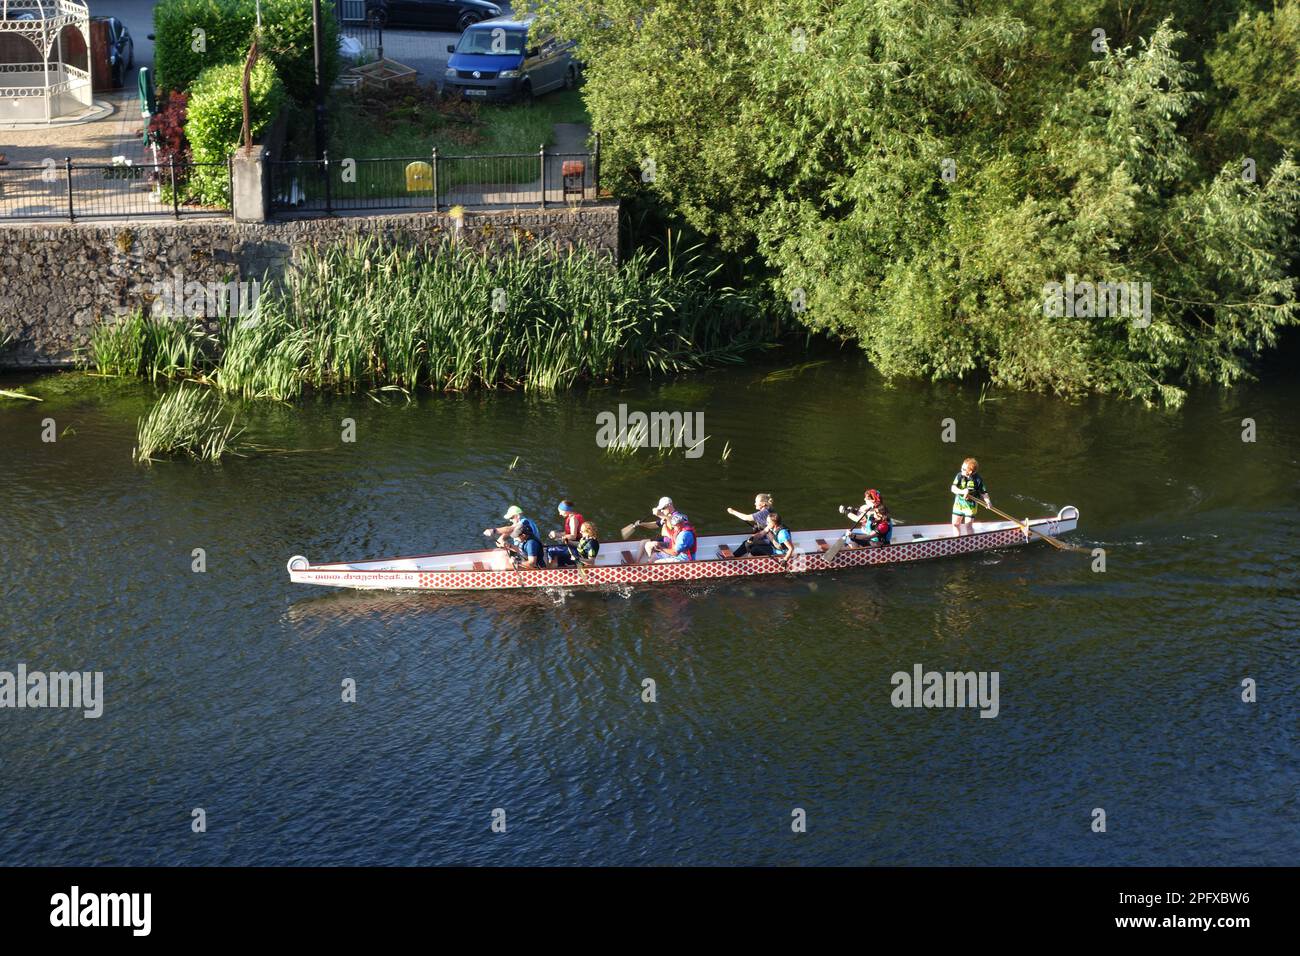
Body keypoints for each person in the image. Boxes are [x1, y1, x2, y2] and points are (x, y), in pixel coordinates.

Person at [950, 457, 990, 536]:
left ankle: (971, 543)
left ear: (970, 471)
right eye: (961, 468)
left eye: (964, 469)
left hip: (970, 506)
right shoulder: (959, 475)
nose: (961, 470)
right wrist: (963, 491)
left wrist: (988, 502)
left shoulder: (978, 479)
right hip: (959, 504)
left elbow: (984, 492)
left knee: (968, 526)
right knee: (955, 524)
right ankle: (957, 541)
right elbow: (953, 488)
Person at [638, 496, 680, 561]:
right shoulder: (666, 516)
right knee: (643, 542)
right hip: (664, 541)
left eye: (663, 508)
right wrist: (642, 524)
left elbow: (672, 522)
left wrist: (660, 514)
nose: (662, 511)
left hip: (672, 543)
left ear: (670, 505)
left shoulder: (678, 516)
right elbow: (654, 525)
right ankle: (636, 563)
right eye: (661, 510)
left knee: (649, 545)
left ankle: (651, 561)